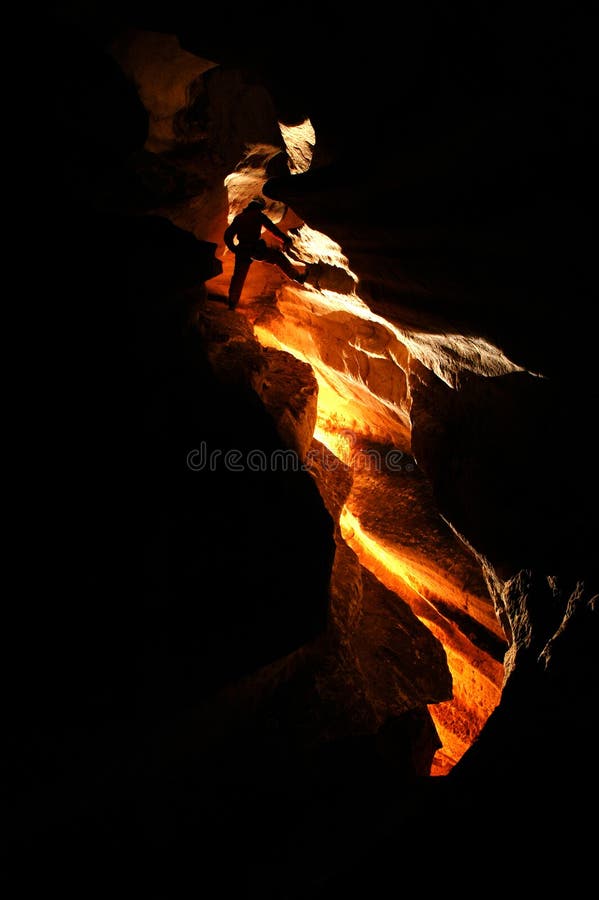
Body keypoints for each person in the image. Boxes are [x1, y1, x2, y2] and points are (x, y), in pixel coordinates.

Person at [223, 197, 306, 309]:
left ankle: (232, 304)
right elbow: (272, 229)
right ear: (258, 207)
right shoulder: (258, 216)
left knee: (238, 277)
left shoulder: (239, 218)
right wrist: (285, 239)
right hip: (256, 249)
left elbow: (228, 235)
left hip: (242, 249)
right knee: (277, 256)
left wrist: (234, 248)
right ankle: (297, 277)